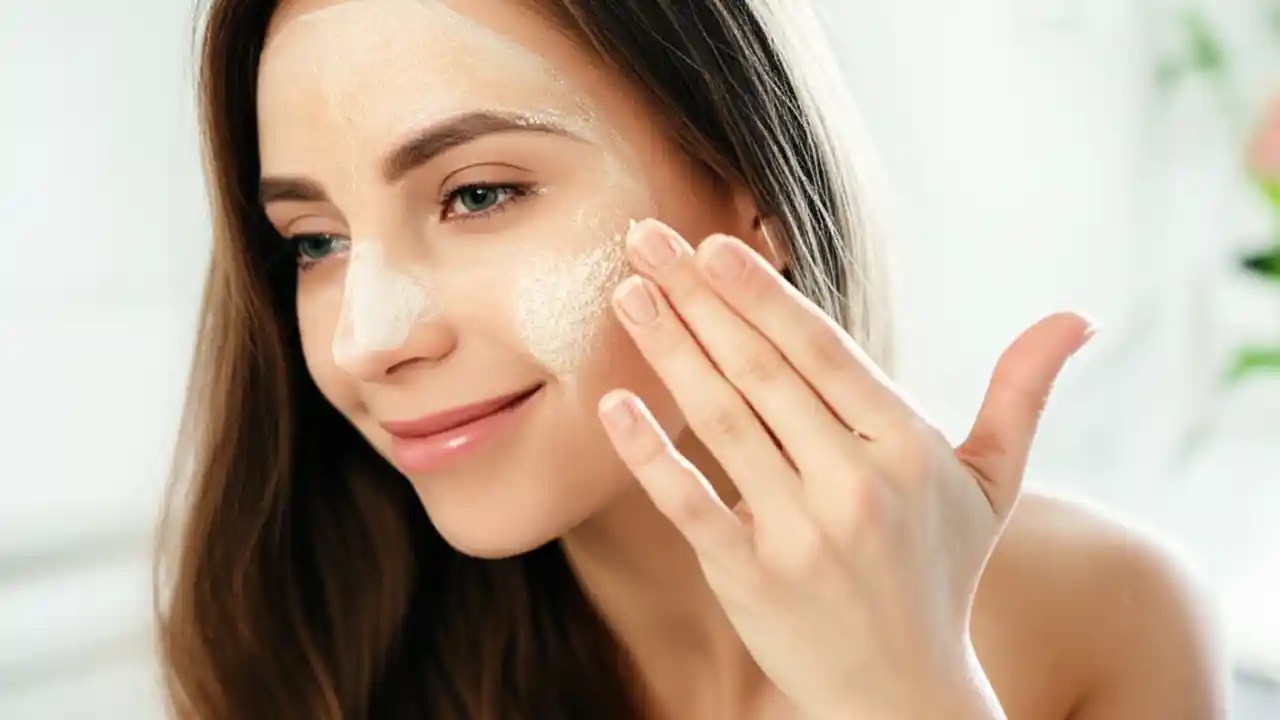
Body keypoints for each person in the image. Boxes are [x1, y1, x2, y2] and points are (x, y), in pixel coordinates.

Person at [156, 0, 1228, 717]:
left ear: (754, 189)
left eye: (478, 194)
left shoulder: (1106, 615)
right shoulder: (302, 649)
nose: (366, 340)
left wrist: (908, 698)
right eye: (316, 243)